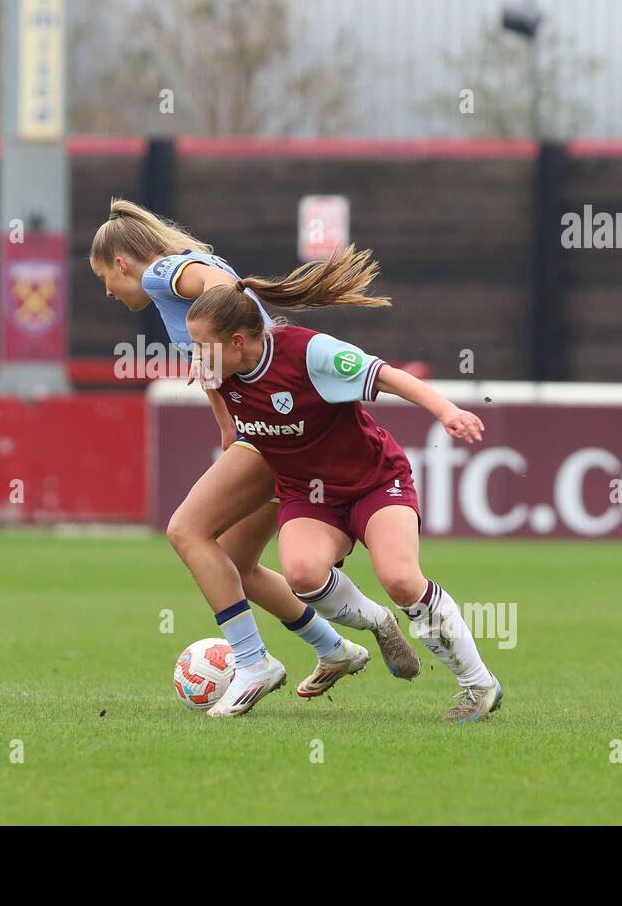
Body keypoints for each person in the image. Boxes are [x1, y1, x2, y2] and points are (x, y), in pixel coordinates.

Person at [91, 199, 419, 717]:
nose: (108, 290)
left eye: (106, 277)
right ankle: (335, 648)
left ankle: (253, 662)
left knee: (187, 531)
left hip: (272, 431)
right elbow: (220, 343)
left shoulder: (161, 274)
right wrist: (225, 420)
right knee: (236, 564)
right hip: (270, 429)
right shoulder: (180, 286)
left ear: (124, 263)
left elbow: (219, 302)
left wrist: (224, 393)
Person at [184, 274, 504, 722]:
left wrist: (447, 411)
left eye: (201, 345)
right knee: (302, 574)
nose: (194, 355)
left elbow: (388, 376)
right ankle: (377, 623)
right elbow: (232, 437)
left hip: (374, 481)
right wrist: (213, 391)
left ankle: (479, 686)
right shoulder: (221, 373)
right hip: (307, 496)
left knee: (401, 581)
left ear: (238, 341)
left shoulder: (308, 353)